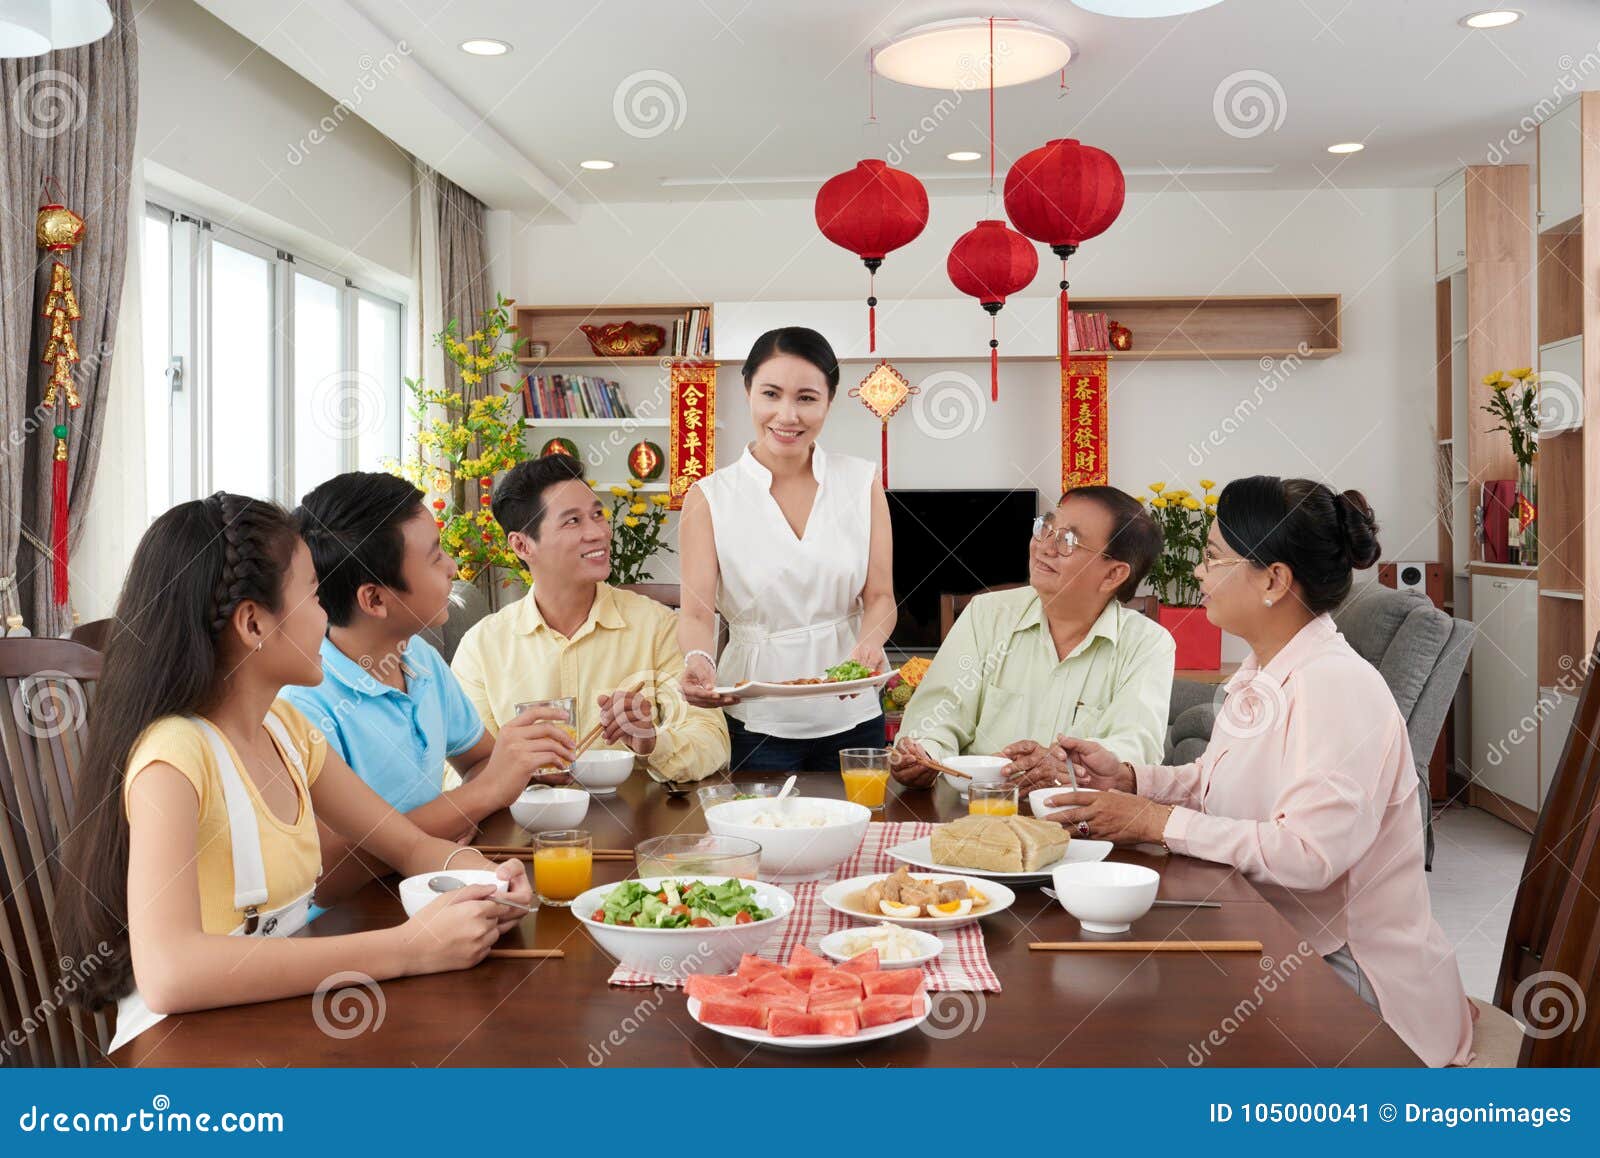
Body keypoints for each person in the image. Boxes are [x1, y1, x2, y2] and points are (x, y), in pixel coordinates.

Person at [54, 494, 530, 1051]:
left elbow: (408, 846)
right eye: (311, 593)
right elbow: (170, 973)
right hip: (187, 1054)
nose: (326, 613)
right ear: (254, 623)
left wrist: (483, 881)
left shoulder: (286, 729)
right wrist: (408, 948)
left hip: (273, 1026)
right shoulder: (175, 758)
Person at [1039, 476, 1473, 1067]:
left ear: (1274, 580)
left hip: (1354, 981)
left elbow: (1308, 855)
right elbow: (1214, 779)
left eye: (1214, 559)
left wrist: (1155, 821)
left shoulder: (1336, 687)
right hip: (1282, 936)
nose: (1198, 574)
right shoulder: (1263, 668)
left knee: (1143, 1022)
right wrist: (1131, 780)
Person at [285, 472, 576, 903]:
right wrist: (475, 799)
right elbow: (328, 876)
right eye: (435, 556)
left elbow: (480, 761)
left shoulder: (417, 655)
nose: (453, 567)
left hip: (429, 888)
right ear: (375, 600)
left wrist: (490, 784)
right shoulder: (304, 703)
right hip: (352, 923)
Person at [678, 326, 896, 772]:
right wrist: (698, 660)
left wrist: (867, 651)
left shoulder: (861, 483)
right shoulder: (709, 497)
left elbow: (879, 597)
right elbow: (698, 612)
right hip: (756, 717)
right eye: (771, 394)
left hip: (852, 712)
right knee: (765, 833)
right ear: (747, 392)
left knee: (861, 830)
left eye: (807, 398)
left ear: (830, 401)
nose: (787, 415)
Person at [451, 455, 729, 782]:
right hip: (526, 825)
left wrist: (652, 740)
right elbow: (457, 769)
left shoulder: (656, 627)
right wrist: (514, 772)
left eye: (598, 515)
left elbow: (713, 742)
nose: (598, 532)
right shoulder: (482, 646)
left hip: (639, 824)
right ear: (523, 545)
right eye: (573, 521)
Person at [890, 486, 1173, 789]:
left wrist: (1065, 766)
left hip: (1080, 821)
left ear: (1113, 575)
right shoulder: (986, 615)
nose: (1045, 547)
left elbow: (1135, 748)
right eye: (1046, 528)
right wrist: (923, 753)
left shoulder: (1148, 644)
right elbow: (937, 714)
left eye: (1068, 541)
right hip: (977, 813)